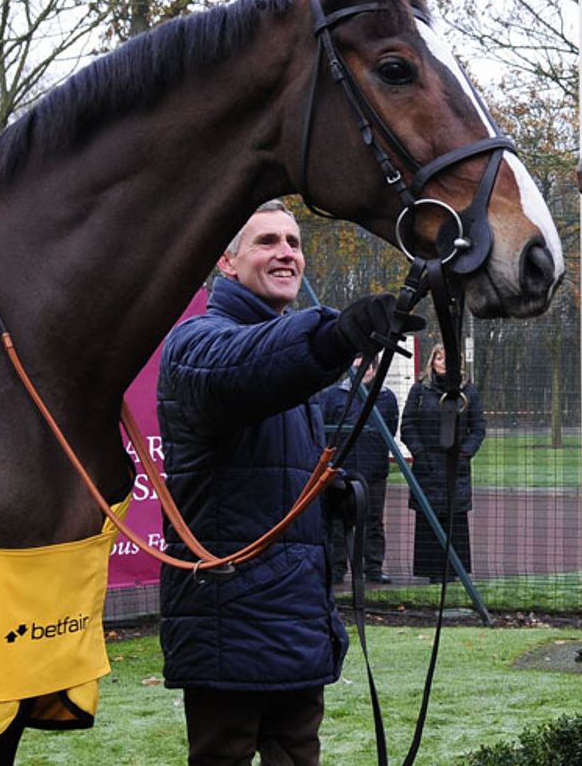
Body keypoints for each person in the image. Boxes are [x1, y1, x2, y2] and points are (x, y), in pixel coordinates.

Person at [155, 200, 420, 766]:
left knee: (299, 755)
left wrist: (331, 493)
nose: (286, 253)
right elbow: (242, 370)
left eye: (294, 242)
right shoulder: (197, 342)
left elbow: (265, 464)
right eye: (267, 241)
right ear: (226, 262)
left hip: (295, 616)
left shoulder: (286, 357)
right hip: (229, 619)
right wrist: (335, 336)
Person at [400, 342, 486, 580]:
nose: (444, 364)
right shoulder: (420, 390)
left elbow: (478, 428)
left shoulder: (468, 391)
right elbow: (407, 423)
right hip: (427, 465)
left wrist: (465, 453)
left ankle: (455, 570)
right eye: (440, 358)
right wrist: (419, 452)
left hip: (455, 466)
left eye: (449, 359)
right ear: (432, 361)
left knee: (454, 518)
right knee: (428, 518)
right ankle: (431, 572)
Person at [319, 354, 400, 585]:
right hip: (341, 468)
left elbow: (390, 429)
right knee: (337, 520)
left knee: (373, 520)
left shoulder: (386, 398)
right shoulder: (333, 396)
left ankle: (373, 567)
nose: (362, 372)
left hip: (374, 469)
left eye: (365, 368)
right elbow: (324, 430)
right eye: (356, 368)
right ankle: (336, 568)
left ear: (374, 369)